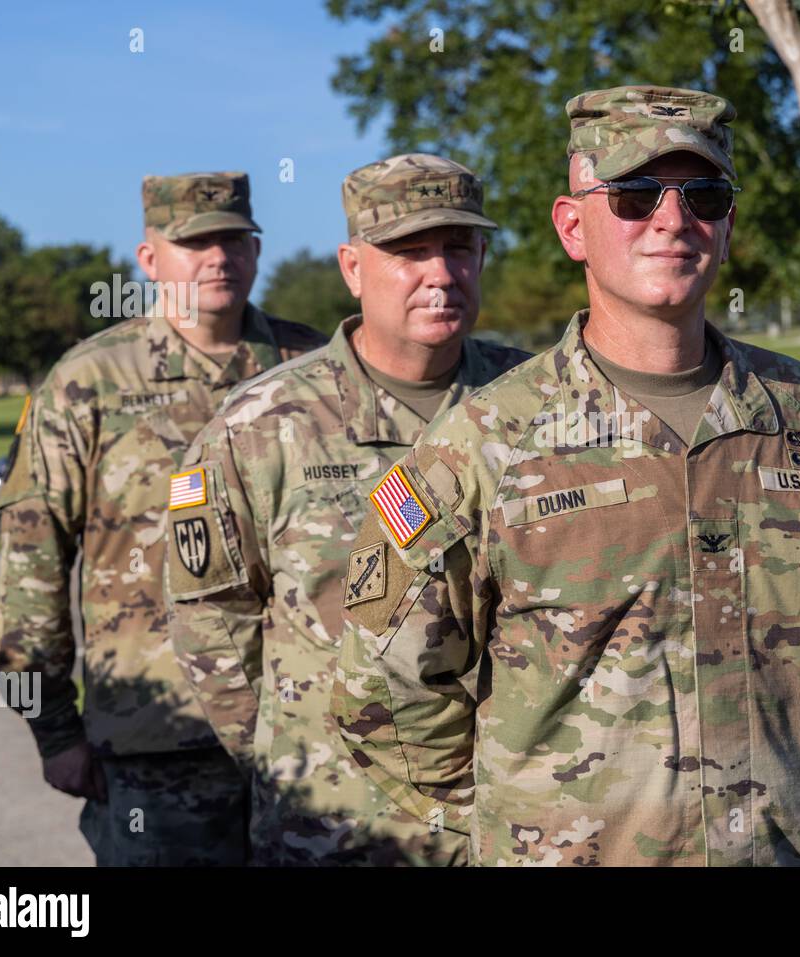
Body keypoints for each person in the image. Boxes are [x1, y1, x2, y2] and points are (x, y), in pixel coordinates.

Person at [331, 85, 800, 866]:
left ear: (728, 223)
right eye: (635, 194)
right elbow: (388, 691)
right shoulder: (486, 442)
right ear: (572, 226)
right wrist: (521, 829)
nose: (673, 220)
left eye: (704, 194)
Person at [166, 154, 530, 865]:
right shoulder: (261, 425)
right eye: (407, 250)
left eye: (458, 246)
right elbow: (211, 623)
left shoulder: (535, 405)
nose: (439, 273)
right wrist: (294, 762)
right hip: (337, 829)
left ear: (482, 255)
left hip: (512, 823)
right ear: (353, 267)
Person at [0, 171, 327, 865]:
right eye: (195, 242)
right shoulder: (90, 382)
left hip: (309, 734)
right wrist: (54, 731)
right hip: (158, 739)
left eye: (235, 239)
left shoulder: (316, 366)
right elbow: (33, 563)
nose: (218, 257)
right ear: (149, 260)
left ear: (257, 251)